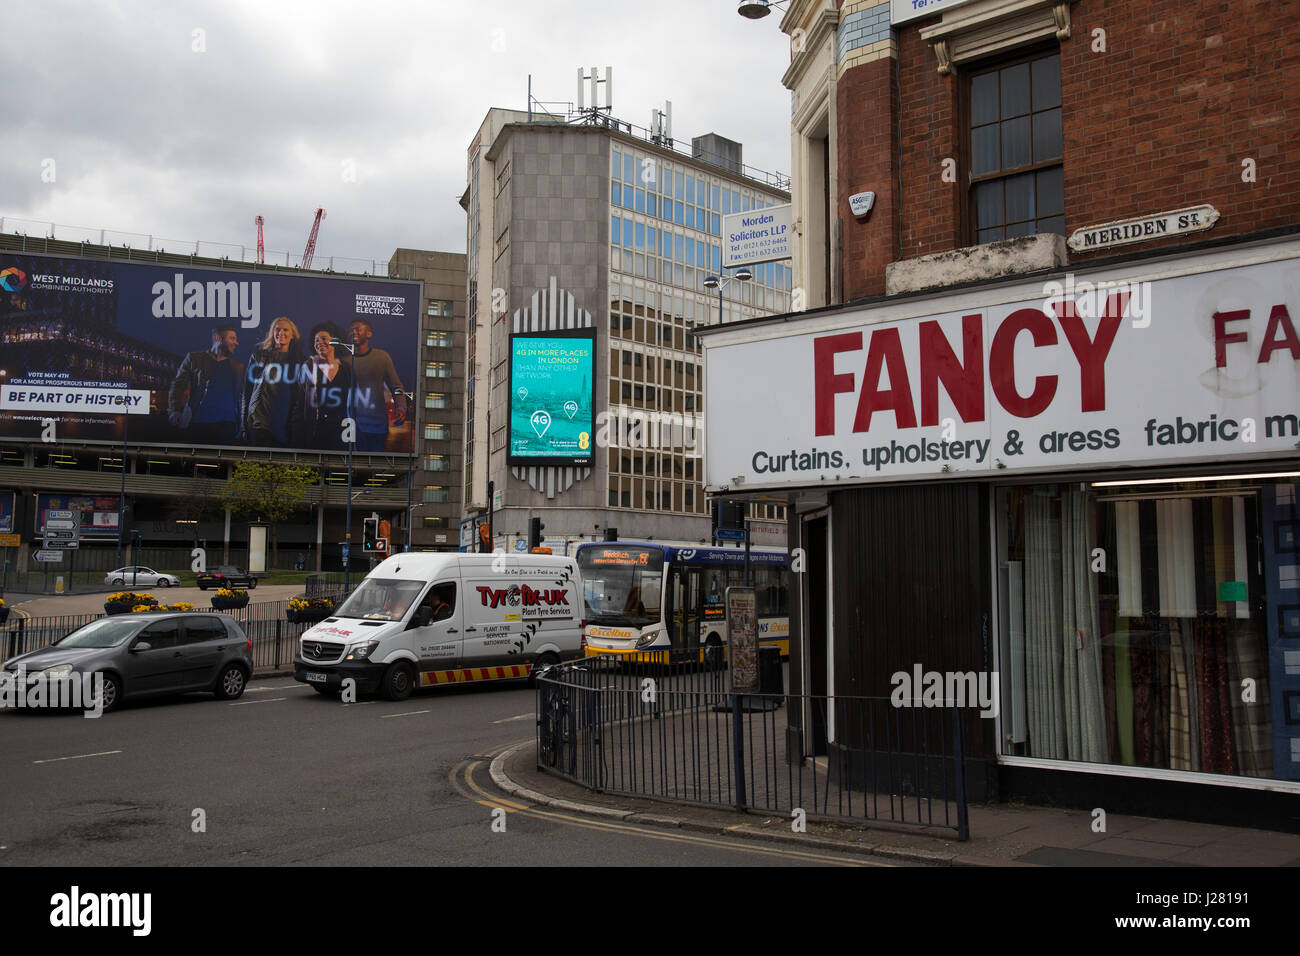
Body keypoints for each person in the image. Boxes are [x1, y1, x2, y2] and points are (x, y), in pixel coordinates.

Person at [167, 324, 245, 445]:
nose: (236, 343)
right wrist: (175, 410)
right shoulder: (194, 359)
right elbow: (178, 385)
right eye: (232, 338)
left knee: (223, 462)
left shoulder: (238, 366)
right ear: (219, 338)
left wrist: (243, 425)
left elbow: (241, 397)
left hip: (227, 427)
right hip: (198, 424)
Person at [243, 316, 306, 447]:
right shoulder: (259, 356)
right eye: (277, 329)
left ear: (292, 335)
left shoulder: (301, 360)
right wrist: (243, 426)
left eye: (285, 330)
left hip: (285, 425)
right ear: (272, 332)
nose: (281, 333)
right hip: (259, 422)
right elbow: (246, 392)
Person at [348, 317, 408, 452]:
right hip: (353, 427)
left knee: (374, 467)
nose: (353, 332)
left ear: (369, 334)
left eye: (357, 329)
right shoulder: (345, 361)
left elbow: (396, 385)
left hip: (378, 427)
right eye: (351, 330)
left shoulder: (382, 357)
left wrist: (401, 408)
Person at [301, 322, 351, 450]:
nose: (319, 342)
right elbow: (299, 399)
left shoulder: (346, 369)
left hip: (341, 429)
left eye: (324, 338)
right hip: (317, 428)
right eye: (316, 340)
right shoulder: (308, 366)